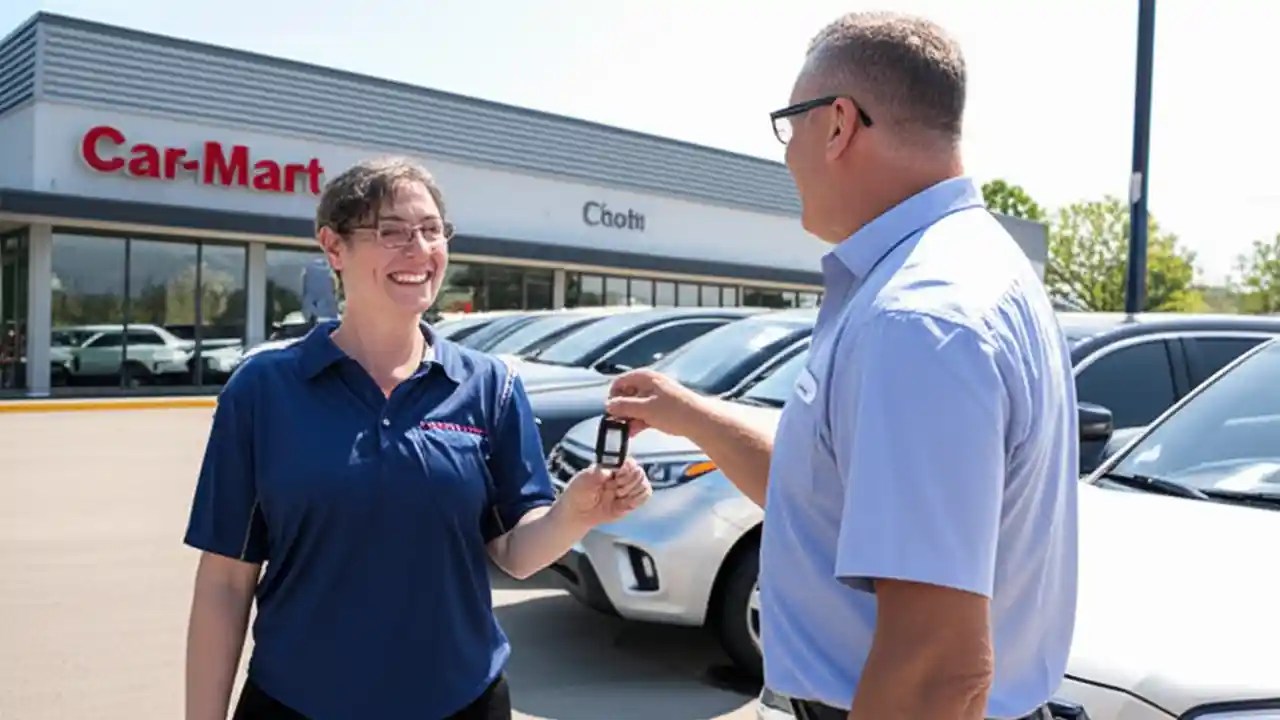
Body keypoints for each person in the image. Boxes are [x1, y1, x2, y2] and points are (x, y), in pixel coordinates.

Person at [606, 12, 1077, 720]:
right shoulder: (969, 270)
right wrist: (694, 417)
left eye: (787, 125)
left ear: (837, 125)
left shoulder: (919, 319)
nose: (786, 154)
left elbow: (935, 674)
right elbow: (833, 502)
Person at [183, 157, 652, 720]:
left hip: (460, 703)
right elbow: (225, 583)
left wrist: (575, 513)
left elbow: (514, 551)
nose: (419, 249)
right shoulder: (263, 391)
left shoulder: (489, 386)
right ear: (334, 249)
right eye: (392, 232)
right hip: (299, 703)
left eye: (431, 230)